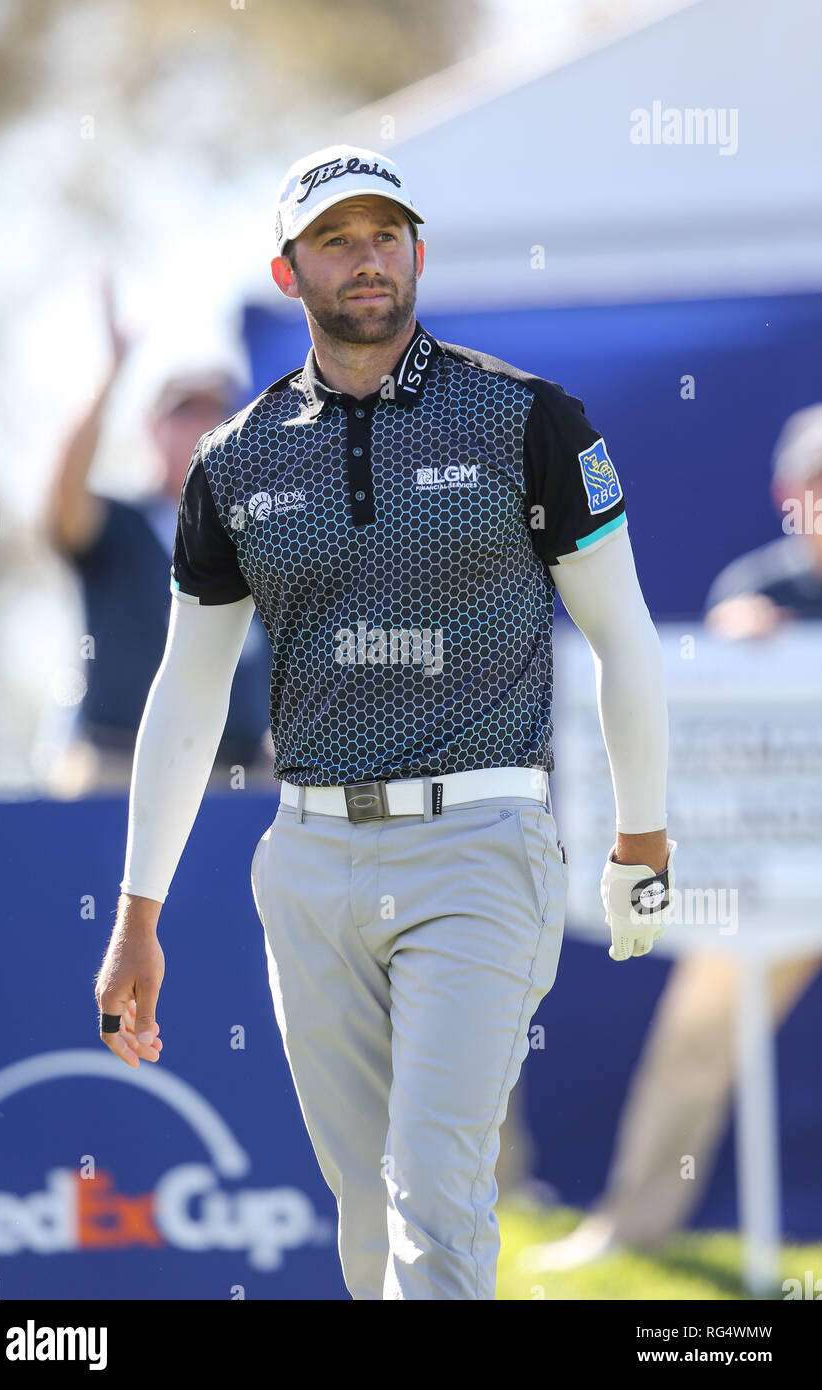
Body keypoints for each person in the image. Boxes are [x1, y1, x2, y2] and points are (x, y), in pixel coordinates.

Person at [93, 144, 677, 1301]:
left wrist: (642, 836)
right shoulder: (234, 458)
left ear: (416, 250)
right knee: (368, 1205)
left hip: (480, 842)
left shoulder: (527, 420)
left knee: (431, 1181)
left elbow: (624, 638)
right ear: (286, 270)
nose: (366, 259)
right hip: (306, 855)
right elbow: (184, 691)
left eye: (384, 235)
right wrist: (135, 917)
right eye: (335, 240)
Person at [526, 403, 822, 1271]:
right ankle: (630, 1229)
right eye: (817, 486)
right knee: (695, 1046)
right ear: (787, 495)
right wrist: (739, 651)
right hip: (784, 874)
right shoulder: (760, 589)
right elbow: (705, 709)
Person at [44, 280, 273, 794]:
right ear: (152, 427)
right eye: (184, 409)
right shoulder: (118, 525)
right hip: (115, 775)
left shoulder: (257, 537)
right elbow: (64, 496)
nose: (202, 425)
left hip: (237, 781)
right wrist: (113, 372)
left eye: (216, 412)